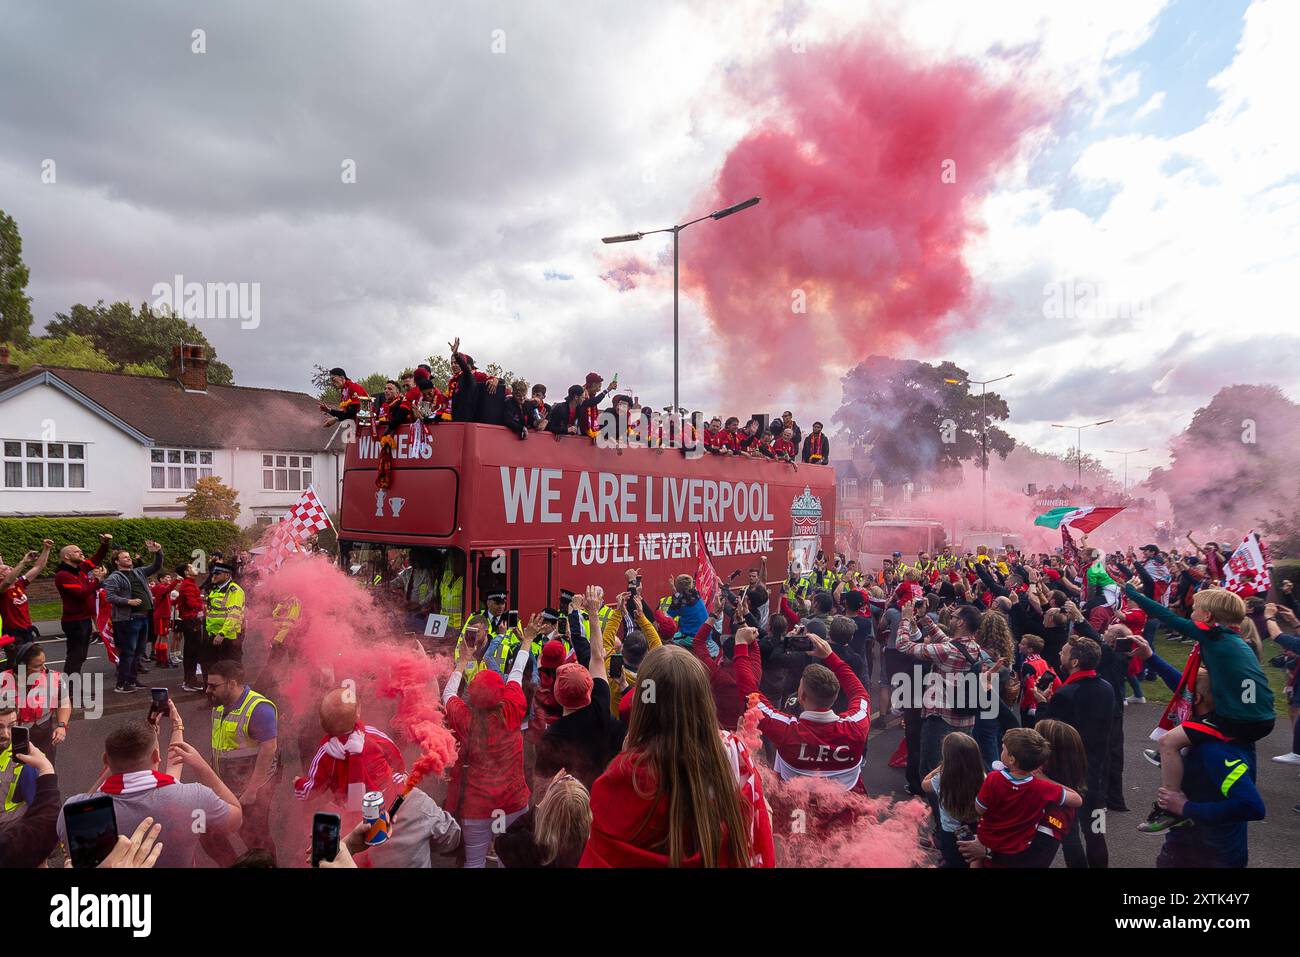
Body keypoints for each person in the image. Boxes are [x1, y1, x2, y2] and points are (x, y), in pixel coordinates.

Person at [582, 644, 775, 867]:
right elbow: (756, 842)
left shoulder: (624, 775)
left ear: (643, 705)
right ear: (703, 699)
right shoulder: (735, 754)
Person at [1122, 583, 1274, 833]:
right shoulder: (1235, 641)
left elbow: (1166, 616)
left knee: (1169, 741)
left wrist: (1131, 593)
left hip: (1239, 722)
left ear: (1207, 617)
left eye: (1195, 610)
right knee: (1184, 739)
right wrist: (1150, 657)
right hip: (1257, 717)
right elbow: (1188, 689)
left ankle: (1169, 807)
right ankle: (1172, 761)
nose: (1189, 614)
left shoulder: (1212, 636)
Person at [59, 713, 241, 868]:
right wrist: (202, 766)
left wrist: (177, 728)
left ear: (105, 759)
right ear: (156, 756)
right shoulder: (195, 798)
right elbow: (236, 818)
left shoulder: (77, 811)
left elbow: (170, 779)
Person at [733, 627, 871, 789]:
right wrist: (830, 657)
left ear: (802, 697)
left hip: (793, 810)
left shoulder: (786, 730)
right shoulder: (857, 725)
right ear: (834, 696)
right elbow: (860, 693)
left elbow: (750, 693)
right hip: (849, 810)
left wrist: (741, 644)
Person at [1154, 670, 1266, 868]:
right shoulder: (1220, 727)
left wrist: (1185, 807)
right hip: (1210, 848)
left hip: (1206, 855)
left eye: (1185, 696)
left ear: (1196, 699)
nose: (1180, 700)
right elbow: (1187, 687)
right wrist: (1150, 657)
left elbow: (1253, 806)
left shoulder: (1215, 750)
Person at [442, 632, 532, 867]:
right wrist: (528, 640)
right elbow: (516, 673)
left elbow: (448, 694)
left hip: (477, 807)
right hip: (513, 803)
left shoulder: (465, 719)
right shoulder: (513, 708)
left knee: (474, 862)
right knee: (509, 861)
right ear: (501, 693)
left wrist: (462, 662)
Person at [1034, 636, 1112, 868]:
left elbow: (1045, 731)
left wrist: (1041, 704)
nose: (1060, 654)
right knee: (1096, 831)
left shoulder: (1066, 694)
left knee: (1069, 832)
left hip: (1069, 773)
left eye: (1064, 652)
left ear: (1075, 661)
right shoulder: (1106, 687)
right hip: (1098, 772)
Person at [534, 588, 614, 790]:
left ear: (558, 694)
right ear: (589, 689)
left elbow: (542, 784)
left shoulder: (552, 736)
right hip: (601, 794)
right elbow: (596, 657)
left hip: (570, 804)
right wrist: (592, 615)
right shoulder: (601, 706)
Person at [968, 727, 1082, 867]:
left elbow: (1033, 861)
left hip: (996, 847)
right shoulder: (1045, 789)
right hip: (1013, 846)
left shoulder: (994, 778)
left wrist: (987, 851)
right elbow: (1077, 799)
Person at [895, 601, 985, 779]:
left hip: (941, 720)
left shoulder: (947, 650)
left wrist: (905, 620)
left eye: (953, 617)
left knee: (931, 771)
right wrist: (923, 617)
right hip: (965, 719)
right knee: (954, 768)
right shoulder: (974, 647)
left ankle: (936, 805)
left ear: (961, 623)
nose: (950, 618)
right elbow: (945, 639)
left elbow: (903, 645)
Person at [202, 660, 278, 865]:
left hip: (251, 788)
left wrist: (252, 790)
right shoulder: (219, 707)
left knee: (255, 838)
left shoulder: (259, 709)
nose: (208, 690)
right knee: (206, 831)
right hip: (226, 786)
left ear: (232, 684)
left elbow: (269, 749)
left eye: (213, 686)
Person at [495, 770, 592, 868]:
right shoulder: (593, 850)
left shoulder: (530, 843)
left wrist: (540, 807)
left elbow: (501, 843)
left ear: (548, 810)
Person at [103, 540, 163, 693]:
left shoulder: (138, 572)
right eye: (124, 557)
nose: (129, 559)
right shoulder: (114, 577)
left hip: (143, 617)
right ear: (117, 562)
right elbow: (109, 597)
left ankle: (132, 679)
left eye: (129, 556)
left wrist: (158, 552)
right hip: (127, 619)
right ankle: (121, 683)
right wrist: (128, 601)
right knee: (128, 652)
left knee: (138, 652)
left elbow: (156, 566)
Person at [0, 642, 72, 762]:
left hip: (44, 734)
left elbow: (64, 703)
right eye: (38, 666)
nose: (44, 669)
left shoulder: (55, 679)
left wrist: (62, 725)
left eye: (44, 663)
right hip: (12, 735)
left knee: (44, 771)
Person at [921, 731, 983, 868]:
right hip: (974, 826)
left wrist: (941, 767)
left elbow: (925, 784)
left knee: (952, 858)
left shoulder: (942, 778)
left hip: (950, 831)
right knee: (970, 857)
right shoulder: (983, 776)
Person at [53, 533, 112, 676]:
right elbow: (81, 594)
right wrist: (97, 580)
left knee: (81, 656)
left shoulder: (80, 569)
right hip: (74, 621)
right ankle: (69, 688)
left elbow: (96, 558)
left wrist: (105, 544)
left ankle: (72, 685)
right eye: (76, 551)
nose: (81, 553)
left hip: (84, 619)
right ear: (67, 556)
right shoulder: (63, 575)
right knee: (75, 655)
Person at [0, 741, 60, 868]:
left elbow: (39, 811)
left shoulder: (25, 767)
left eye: (10, 726)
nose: (5, 733)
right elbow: (46, 819)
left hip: (14, 838)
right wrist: (46, 768)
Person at [1, 539, 53, 660]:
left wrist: (46, 549)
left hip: (27, 630)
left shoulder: (19, 584)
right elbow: (8, 581)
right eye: (7, 569)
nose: (11, 568)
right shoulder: (2, 589)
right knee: (19, 664)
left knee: (31, 661)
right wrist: (23, 562)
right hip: (13, 634)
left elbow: (38, 567)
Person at [0, 705, 40, 828]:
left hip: (9, 836)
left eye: (11, 726)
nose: (6, 734)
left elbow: (37, 813)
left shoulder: (25, 763)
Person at [204, 561, 246, 670]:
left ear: (227, 575)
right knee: (212, 667)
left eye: (217, 573)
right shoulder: (215, 589)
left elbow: (234, 614)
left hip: (227, 637)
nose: (214, 576)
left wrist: (222, 633)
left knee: (230, 669)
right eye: (213, 574)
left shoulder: (234, 590)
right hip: (214, 634)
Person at [173, 563, 206, 692]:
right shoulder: (188, 585)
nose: (195, 568)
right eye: (192, 567)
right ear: (186, 572)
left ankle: (190, 680)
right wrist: (201, 606)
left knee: (191, 651)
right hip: (191, 620)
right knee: (192, 651)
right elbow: (192, 603)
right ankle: (190, 681)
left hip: (190, 619)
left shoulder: (189, 583)